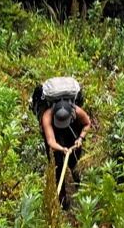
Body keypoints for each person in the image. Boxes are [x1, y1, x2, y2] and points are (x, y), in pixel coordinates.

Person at [33, 77, 93, 210]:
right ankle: (62, 200)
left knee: (75, 160)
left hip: (72, 130)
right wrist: (62, 149)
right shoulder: (47, 116)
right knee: (58, 166)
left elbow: (87, 124)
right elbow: (51, 141)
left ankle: (81, 189)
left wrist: (80, 139)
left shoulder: (76, 111)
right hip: (55, 135)